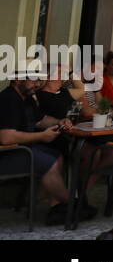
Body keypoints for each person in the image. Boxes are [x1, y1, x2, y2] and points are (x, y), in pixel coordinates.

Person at [0, 69, 88, 225]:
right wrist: (42, 136)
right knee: (48, 163)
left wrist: (59, 122)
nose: (37, 84)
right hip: (6, 154)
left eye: (38, 80)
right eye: (33, 80)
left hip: (20, 149)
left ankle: (58, 207)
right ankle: (72, 205)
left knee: (56, 155)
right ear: (18, 80)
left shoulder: (26, 98)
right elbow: (6, 137)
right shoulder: (8, 99)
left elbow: (40, 120)